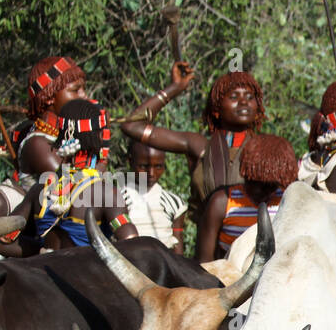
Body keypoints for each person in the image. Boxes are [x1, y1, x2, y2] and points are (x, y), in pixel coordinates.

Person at [118, 63, 266, 223]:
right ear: (216, 109)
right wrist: (175, 88)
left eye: (250, 97)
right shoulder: (199, 146)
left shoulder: (266, 150)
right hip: (209, 238)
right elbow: (131, 125)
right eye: (234, 97)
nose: (243, 102)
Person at [14, 99, 136, 253]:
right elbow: (132, 245)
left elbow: (2, 241)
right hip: (88, 269)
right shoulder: (106, 194)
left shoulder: (39, 190)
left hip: (44, 267)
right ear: (100, 137)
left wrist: (42, 254)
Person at [198, 133, 296, 262]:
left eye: (270, 185)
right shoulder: (223, 202)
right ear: (246, 173)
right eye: (255, 182)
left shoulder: (287, 202)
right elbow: (204, 261)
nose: (261, 189)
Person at [122, 140, 188, 252]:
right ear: (130, 162)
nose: (151, 173)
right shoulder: (118, 200)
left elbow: (177, 244)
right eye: (143, 166)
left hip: (165, 261)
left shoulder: (174, 204)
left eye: (158, 166)